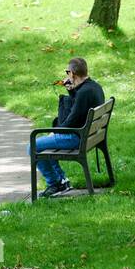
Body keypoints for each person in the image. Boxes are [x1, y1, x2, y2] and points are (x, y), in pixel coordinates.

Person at [29, 57, 105, 198]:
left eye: (67, 72)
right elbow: (78, 112)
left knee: (33, 146)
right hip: (90, 136)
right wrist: (71, 91)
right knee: (45, 143)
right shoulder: (95, 87)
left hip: (76, 138)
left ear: (72, 73)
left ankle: (54, 183)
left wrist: (55, 133)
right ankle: (61, 181)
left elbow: (71, 120)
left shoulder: (83, 93)